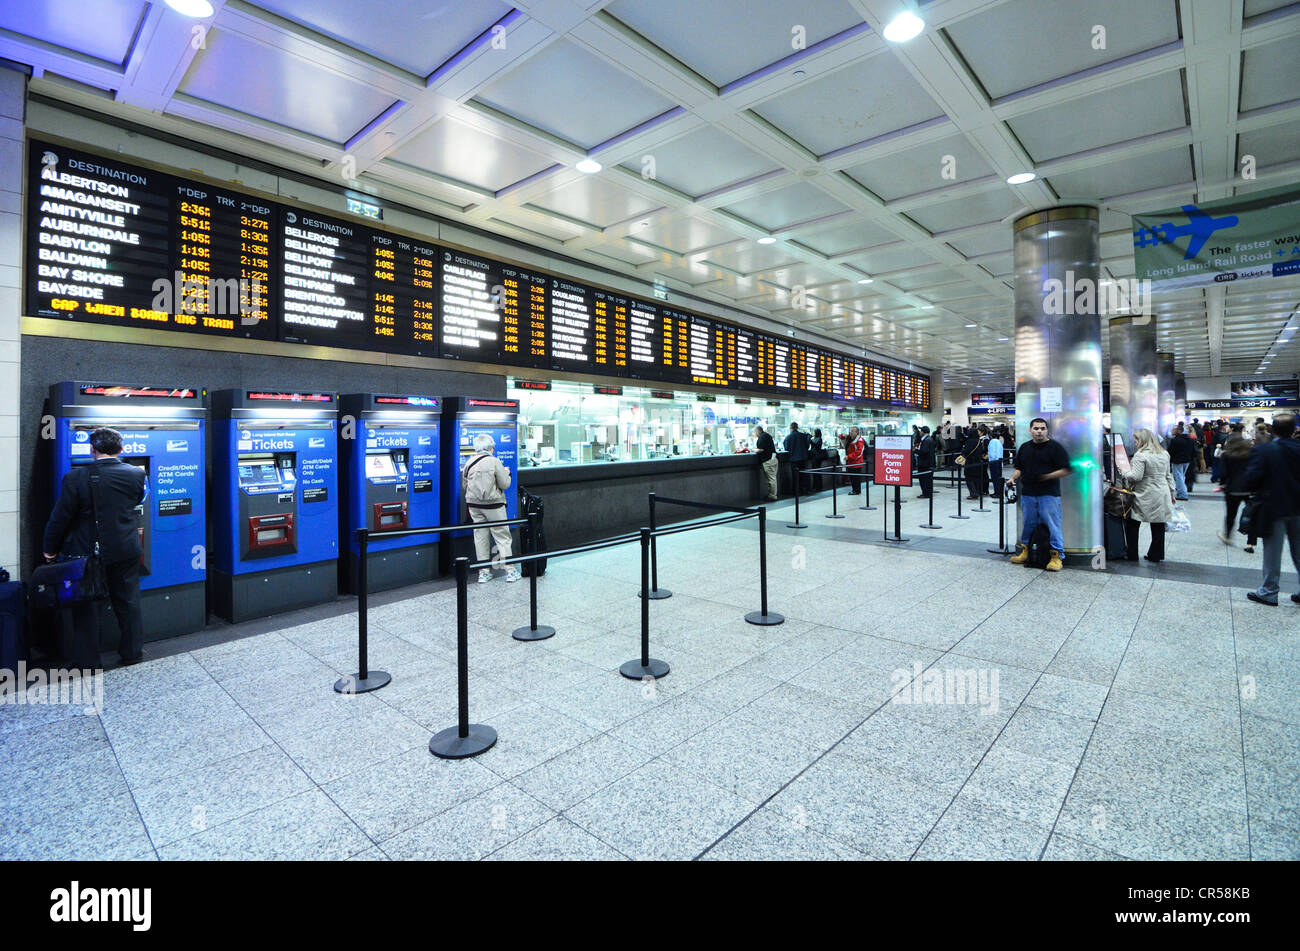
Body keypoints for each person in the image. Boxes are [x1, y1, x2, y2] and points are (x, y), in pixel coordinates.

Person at [42, 427, 148, 668]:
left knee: (88, 606)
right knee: (128, 600)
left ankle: (88, 662)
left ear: (93, 450)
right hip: (127, 547)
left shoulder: (76, 478)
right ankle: (132, 652)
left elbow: (61, 518)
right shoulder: (136, 474)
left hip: (89, 550)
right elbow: (136, 501)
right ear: (120, 449)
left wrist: (50, 549)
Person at [1238, 413, 1300, 606]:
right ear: (1294, 429)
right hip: (1298, 507)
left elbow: (1250, 479)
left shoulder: (1265, 451)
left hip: (1273, 508)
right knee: (1299, 552)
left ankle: (1269, 591)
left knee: (1272, 552)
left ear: (1273, 429)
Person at [1007, 417, 1072, 571]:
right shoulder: (1024, 447)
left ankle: (1057, 556)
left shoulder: (1055, 448)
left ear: (1047, 430)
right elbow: (1019, 468)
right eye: (1036, 428)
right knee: (1028, 523)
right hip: (1028, 492)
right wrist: (1012, 478)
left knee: (1052, 524)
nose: (1039, 431)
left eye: (1042, 428)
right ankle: (1026, 551)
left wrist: (1046, 476)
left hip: (1048, 494)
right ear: (1030, 431)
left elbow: (1066, 469)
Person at [461, 434, 519, 583]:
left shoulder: (469, 462)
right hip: (493, 504)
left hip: (474, 505)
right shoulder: (494, 462)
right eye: (493, 447)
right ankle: (511, 571)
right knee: (502, 537)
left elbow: (464, 485)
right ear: (490, 448)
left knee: (480, 537)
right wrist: (507, 473)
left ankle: (484, 573)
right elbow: (505, 484)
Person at [1121, 428, 1176, 563]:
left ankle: (1132, 554)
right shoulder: (1164, 454)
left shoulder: (1141, 455)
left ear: (1142, 440)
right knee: (1158, 524)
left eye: (1136, 440)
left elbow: (1136, 476)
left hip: (1144, 493)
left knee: (1133, 522)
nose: (1135, 443)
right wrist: (1172, 493)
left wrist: (1123, 471)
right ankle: (1156, 555)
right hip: (1162, 492)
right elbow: (1168, 476)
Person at [1216, 430, 1254, 547]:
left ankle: (1227, 536)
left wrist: (1222, 484)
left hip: (1232, 489)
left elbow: (1223, 473)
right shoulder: (1251, 453)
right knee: (1251, 514)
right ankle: (1251, 542)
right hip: (1249, 488)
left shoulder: (1226, 455)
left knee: (1231, 514)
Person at [1167, 423, 1197, 500]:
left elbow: (1170, 452)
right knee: (1181, 476)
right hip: (1187, 461)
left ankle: (1183, 494)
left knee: (1178, 477)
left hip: (1177, 461)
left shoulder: (1175, 440)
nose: (1172, 431)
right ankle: (1181, 491)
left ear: (1179, 431)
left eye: (1173, 430)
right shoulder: (1191, 440)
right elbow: (1194, 451)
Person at [784, 422, 810, 494]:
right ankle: (803, 490)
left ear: (791, 428)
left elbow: (786, 448)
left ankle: (796, 491)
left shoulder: (789, 437)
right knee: (803, 475)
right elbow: (807, 446)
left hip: (794, 460)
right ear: (797, 427)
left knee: (795, 476)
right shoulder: (803, 436)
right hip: (803, 458)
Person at [754, 425, 777, 501]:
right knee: (772, 478)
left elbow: (761, 449)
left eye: (755, 432)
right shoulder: (767, 436)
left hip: (768, 460)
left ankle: (772, 496)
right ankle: (771, 494)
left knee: (771, 479)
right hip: (773, 459)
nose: (755, 434)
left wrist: (754, 450)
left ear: (758, 431)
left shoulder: (762, 437)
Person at [915, 425, 936, 499]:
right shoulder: (928, 439)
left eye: (921, 431)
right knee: (926, 479)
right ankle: (926, 493)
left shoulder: (927, 440)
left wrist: (915, 450)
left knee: (924, 479)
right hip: (927, 463)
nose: (920, 432)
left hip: (925, 464)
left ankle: (926, 493)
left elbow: (924, 451)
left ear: (924, 432)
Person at [844, 426, 865, 494]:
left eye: (853, 431)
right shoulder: (851, 438)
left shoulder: (859, 440)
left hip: (856, 463)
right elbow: (841, 437)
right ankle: (854, 490)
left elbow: (859, 452)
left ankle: (856, 490)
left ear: (857, 432)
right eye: (850, 431)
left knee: (856, 478)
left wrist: (849, 456)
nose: (851, 432)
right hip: (851, 462)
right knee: (852, 477)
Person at [986, 425, 1005, 497]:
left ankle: (997, 493)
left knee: (995, 478)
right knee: (998, 477)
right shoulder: (999, 442)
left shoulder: (992, 442)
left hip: (994, 462)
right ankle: (998, 492)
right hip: (999, 461)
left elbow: (992, 453)